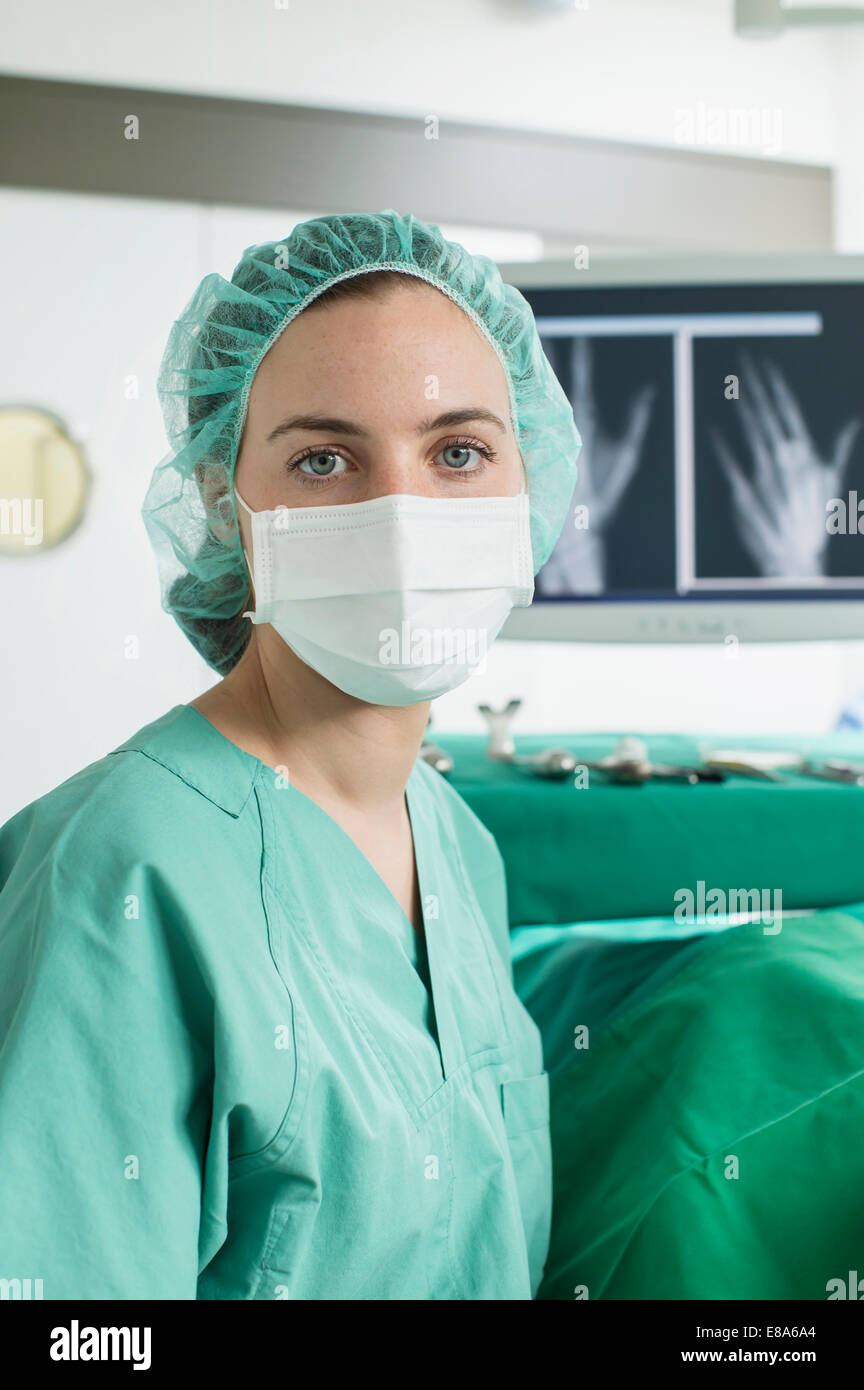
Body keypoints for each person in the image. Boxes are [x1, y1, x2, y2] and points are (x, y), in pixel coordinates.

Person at [0, 210, 580, 1300]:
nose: (400, 511)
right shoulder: (124, 873)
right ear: (227, 507)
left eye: (457, 451)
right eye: (323, 458)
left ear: (526, 484)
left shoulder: (453, 843)